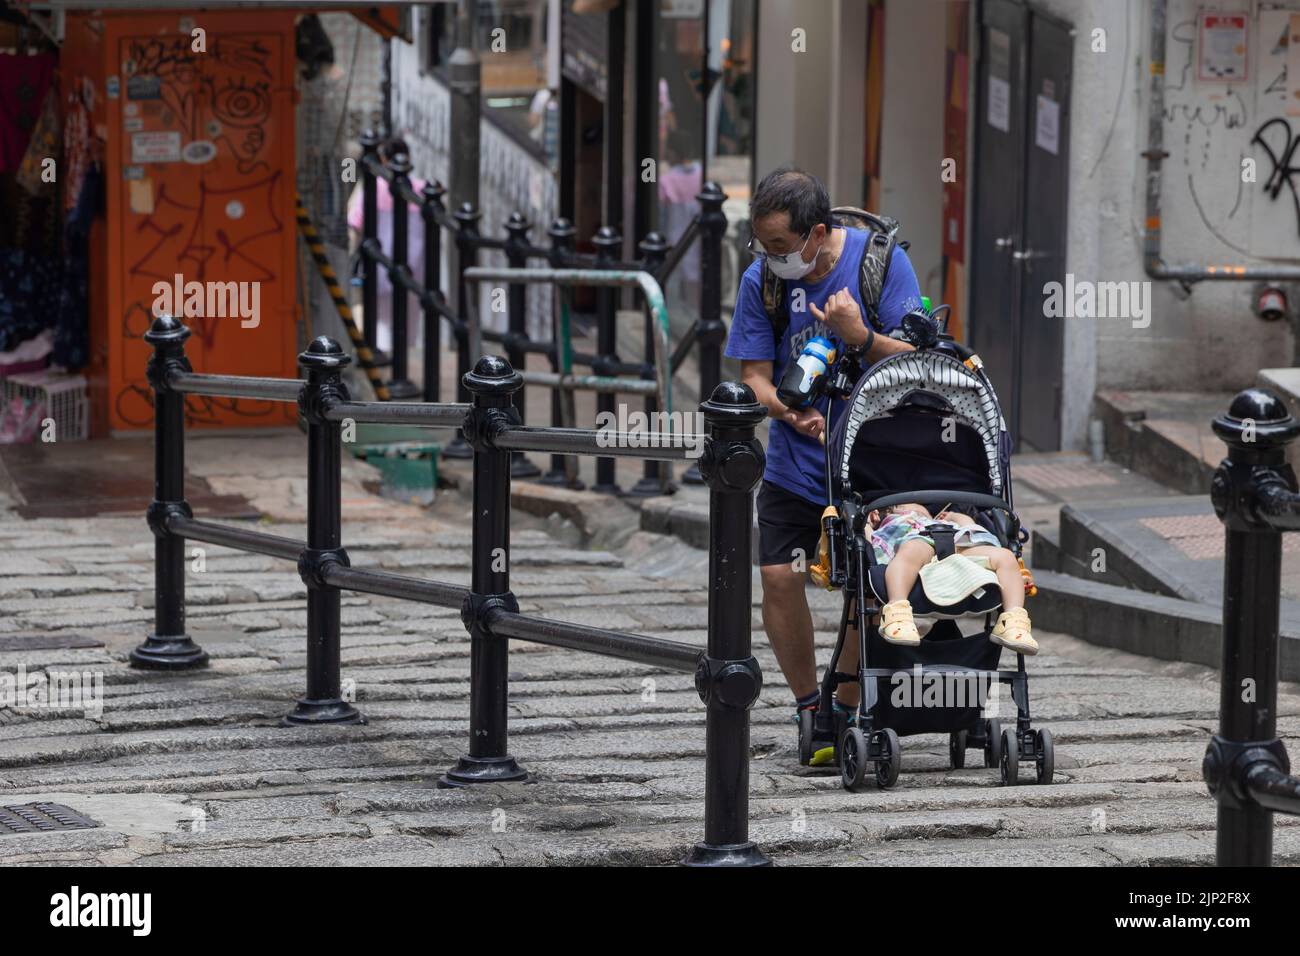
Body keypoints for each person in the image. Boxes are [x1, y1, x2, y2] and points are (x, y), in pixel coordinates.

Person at [724, 166, 922, 739]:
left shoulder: (879, 262)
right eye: (763, 245)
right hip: (795, 462)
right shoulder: (762, 279)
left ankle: (844, 702)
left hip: (873, 460)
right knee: (779, 576)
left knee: (869, 579)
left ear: (816, 232)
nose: (772, 256)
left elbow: (916, 362)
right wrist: (789, 412)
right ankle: (810, 704)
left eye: (782, 245)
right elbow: (754, 378)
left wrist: (857, 335)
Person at [866, 502, 1037, 654]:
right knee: (909, 553)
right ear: (877, 515)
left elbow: (968, 524)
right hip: (918, 541)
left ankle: (1013, 621)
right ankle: (897, 612)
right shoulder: (891, 524)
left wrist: (954, 516)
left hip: (960, 542)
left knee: (1006, 556)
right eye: (901, 507)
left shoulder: (944, 521)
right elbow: (870, 541)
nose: (917, 509)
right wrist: (865, 525)